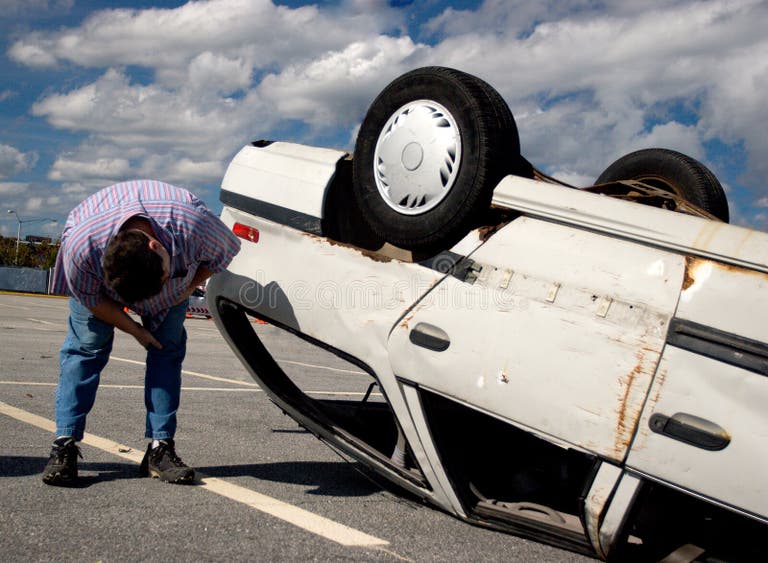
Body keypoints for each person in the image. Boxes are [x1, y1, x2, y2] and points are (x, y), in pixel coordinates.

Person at [42, 180, 240, 486]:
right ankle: (64, 444)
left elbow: (227, 251)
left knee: (166, 353)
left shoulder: (195, 224)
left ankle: (160, 450)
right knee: (86, 349)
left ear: (156, 246)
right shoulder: (81, 245)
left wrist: (187, 286)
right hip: (104, 289)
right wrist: (135, 329)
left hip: (175, 291)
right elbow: (92, 300)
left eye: (160, 277)